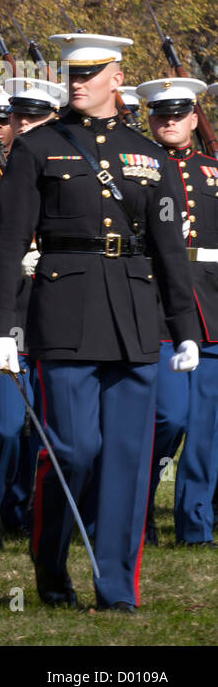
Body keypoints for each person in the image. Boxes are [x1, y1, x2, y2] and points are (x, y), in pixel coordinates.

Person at [0, 34, 200, 611]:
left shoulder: (147, 154)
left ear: (116, 75)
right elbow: (8, 246)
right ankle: (50, 564)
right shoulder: (38, 148)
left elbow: (168, 249)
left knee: (127, 460)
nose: (77, 81)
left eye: (90, 72)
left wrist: (184, 329)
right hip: (64, 313)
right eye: (71, 73)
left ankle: (116, 591)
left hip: (133, 317)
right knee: (72, 451)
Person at [0, 77, 65, 549]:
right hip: (8, 316)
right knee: (4, 425)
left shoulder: (68, 176)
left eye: (33, 119)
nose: (21, 127)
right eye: (15, 119)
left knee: (44, 427)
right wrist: (8, 261)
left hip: (59, 316)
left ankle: (24, 509)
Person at [139, 77, 218, 549]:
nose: (168, 121)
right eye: (160, 114)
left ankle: (195, 525)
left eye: (178, 114)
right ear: (150, 119)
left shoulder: (214, 171)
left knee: (207, 428)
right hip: (155, 307)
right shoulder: (138, 168)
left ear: (193, 118)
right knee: (169, 418)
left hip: (210, 306)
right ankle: (137, 505)